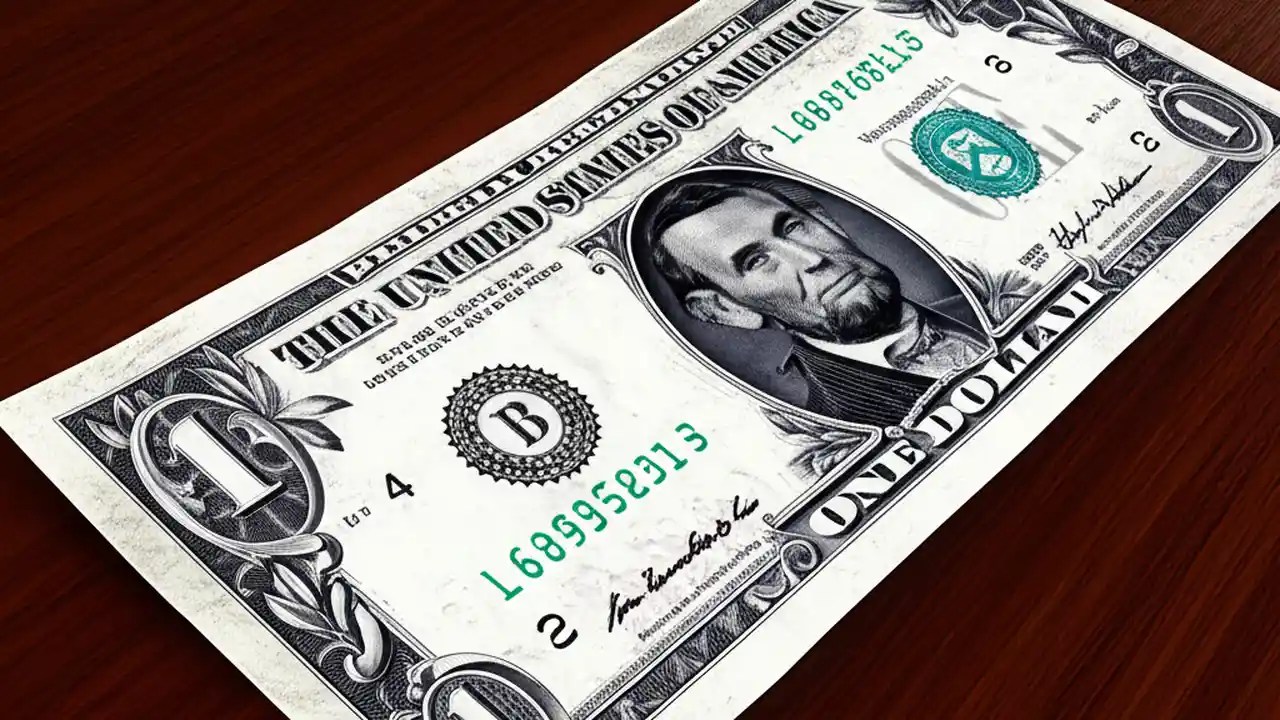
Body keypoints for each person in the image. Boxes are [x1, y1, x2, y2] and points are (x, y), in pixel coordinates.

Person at [645, 178, 988, 426]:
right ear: (725, 310)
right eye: (755, 261)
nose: (811, 259)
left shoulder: (989, 304)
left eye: (793, 228)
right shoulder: (838, 424)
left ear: (827, 222)